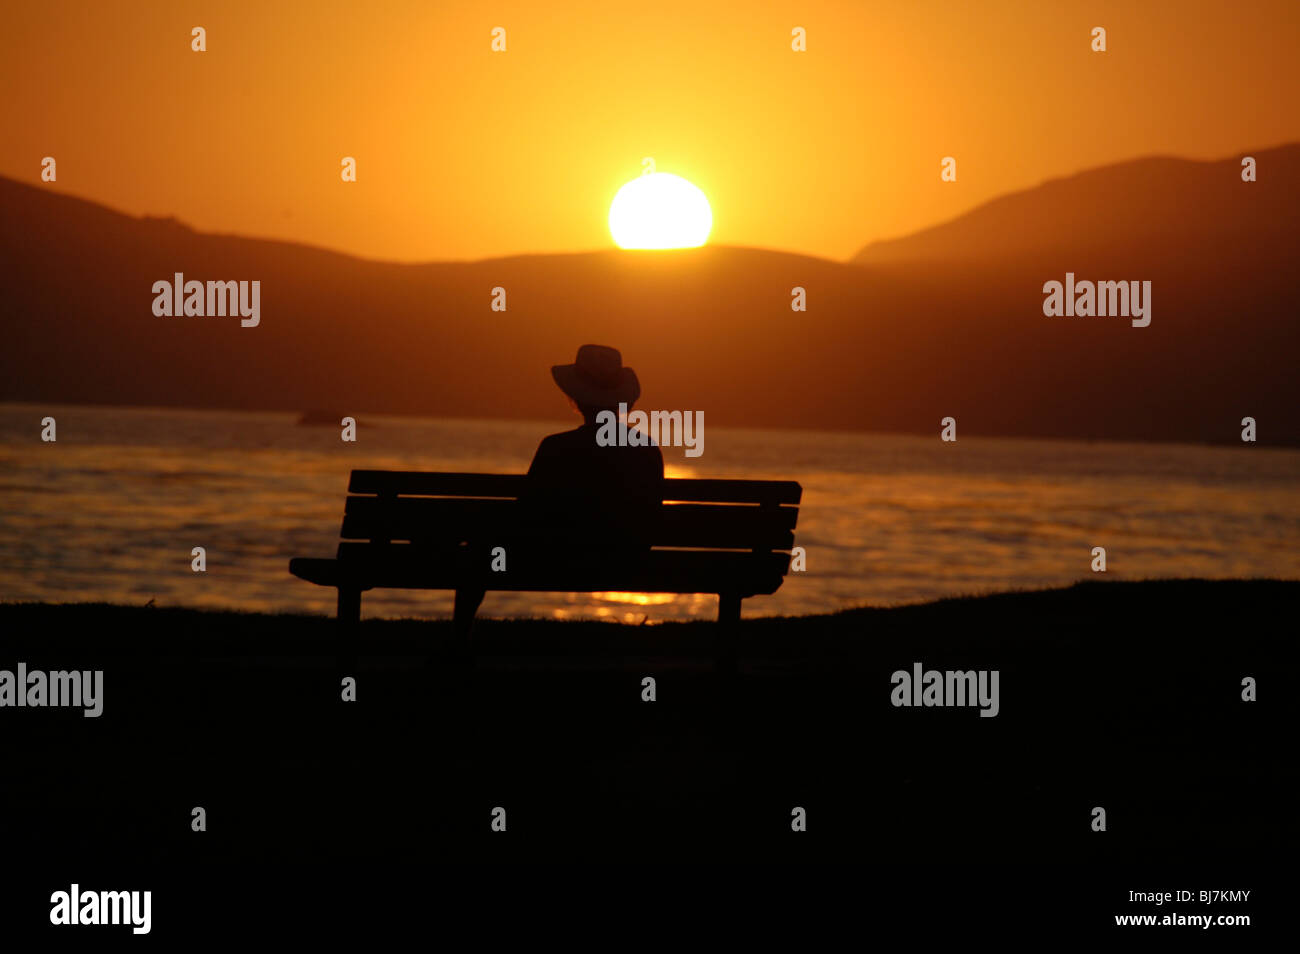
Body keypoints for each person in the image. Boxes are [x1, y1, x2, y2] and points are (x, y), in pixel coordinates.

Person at [524, 344, 665, 554]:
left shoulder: (556, 447)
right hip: (628, 561)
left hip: (561, 559)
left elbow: (528, 513)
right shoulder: (646, 449)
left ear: (576, 399)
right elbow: (650, 520)